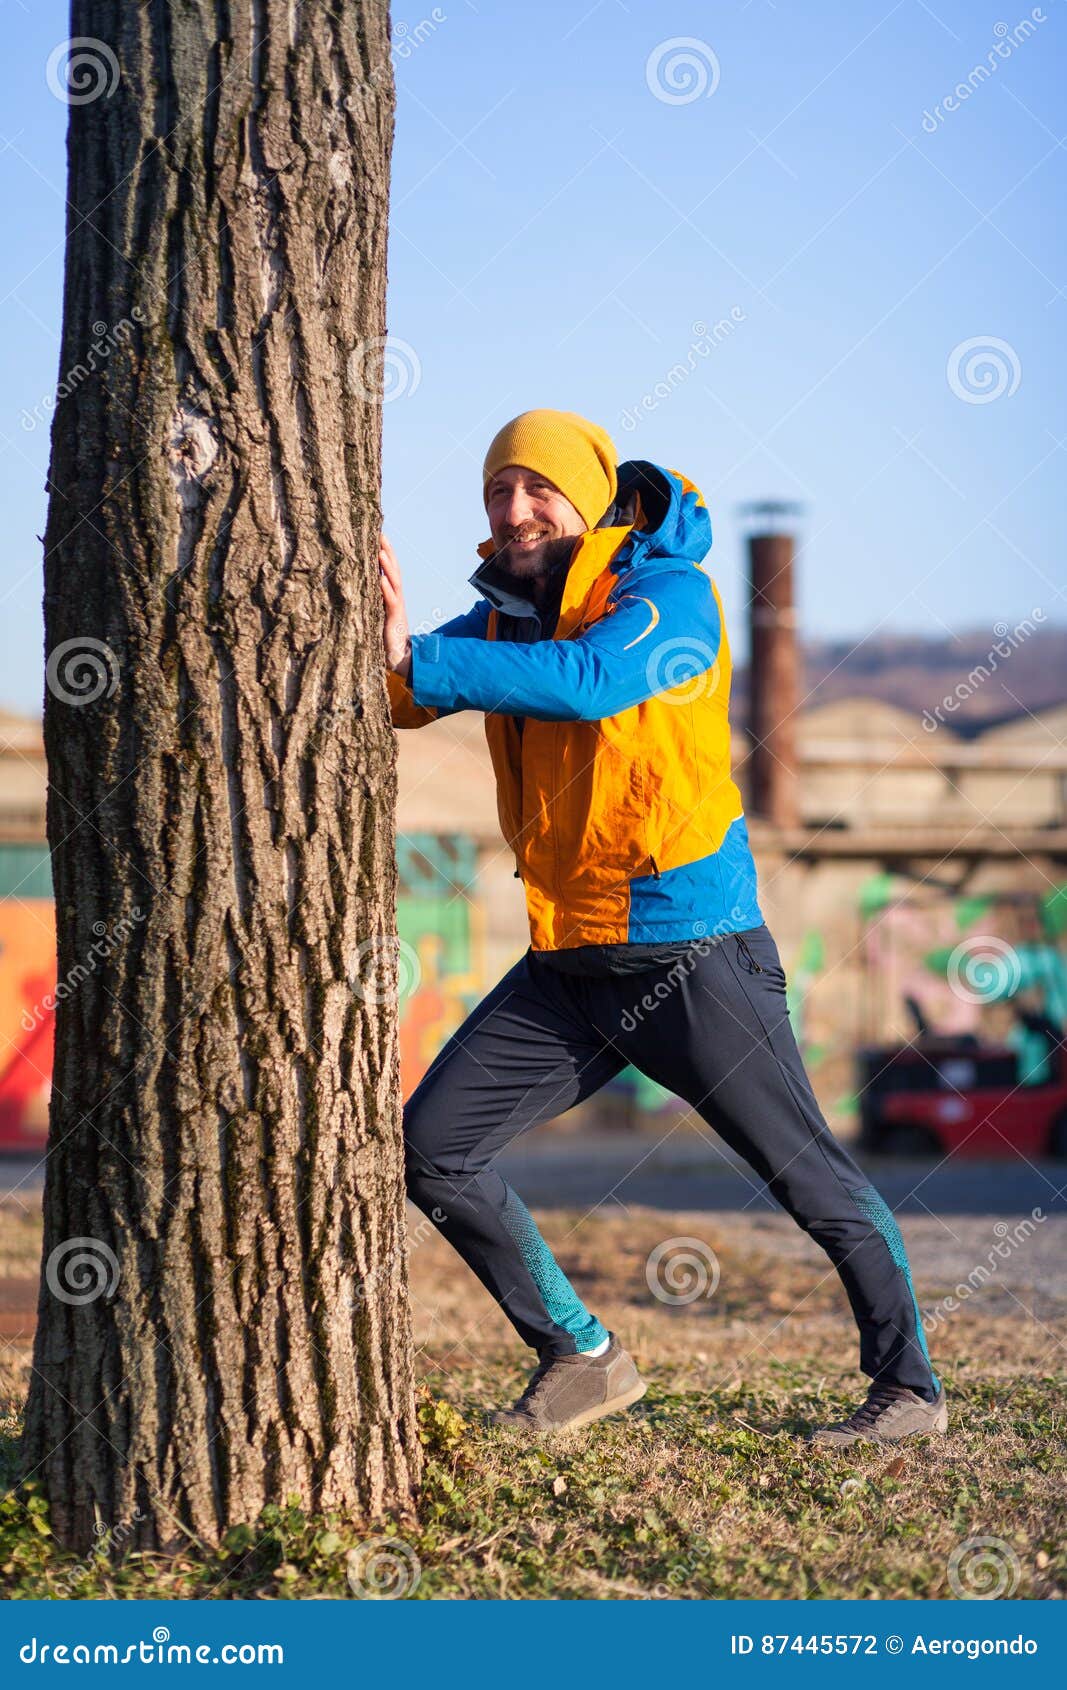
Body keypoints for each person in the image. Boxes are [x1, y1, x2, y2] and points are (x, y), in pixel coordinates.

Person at [380, 408, 946, 1447]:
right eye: (498, 490)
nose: (514, 509)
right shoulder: (507, 617)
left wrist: (413, 657)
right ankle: (582, 1355)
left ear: (593, 499)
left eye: (538, 488)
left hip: (690, 955)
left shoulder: (667, 593)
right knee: (430, 1149)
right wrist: (361, 639)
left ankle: (908, 1389)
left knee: (809, 1177)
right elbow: (402, 692)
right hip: (568, 961)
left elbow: (594, 682)